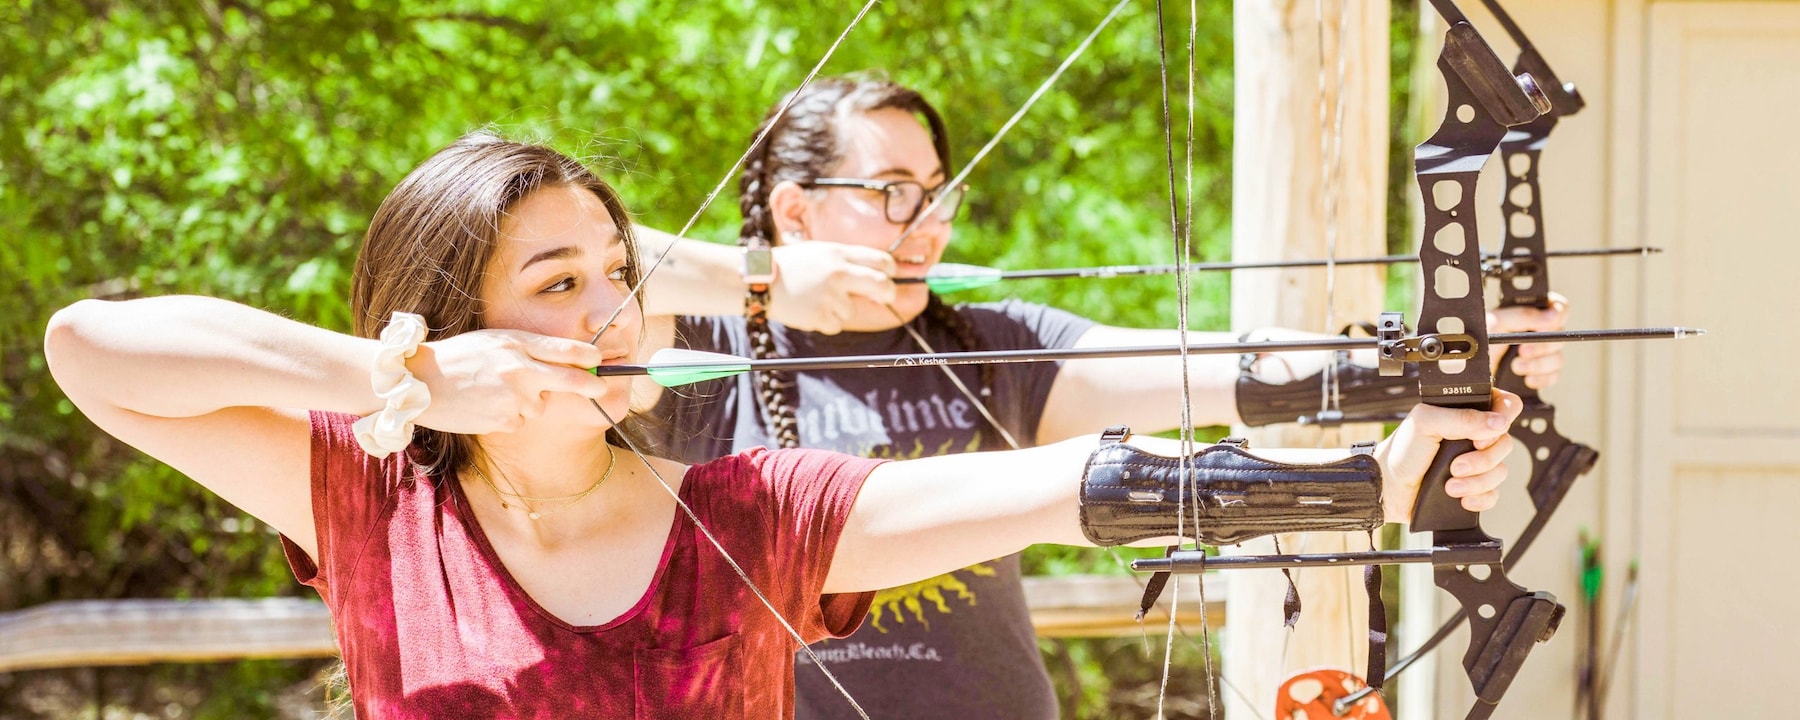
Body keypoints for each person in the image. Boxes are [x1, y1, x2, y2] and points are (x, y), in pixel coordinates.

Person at [44, 132, 1521, 718]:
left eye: (619, 275)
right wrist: (406, 379)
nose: (614, 310)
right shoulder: (371, 508)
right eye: (557, 284)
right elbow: (92, 353)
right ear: (456, 314)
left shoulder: (756, 510)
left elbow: (1082, 483)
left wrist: (1374, 465)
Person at [634, 75, 1569, 718]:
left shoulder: (987, 344)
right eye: (892, 192)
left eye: (936, 193)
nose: (928, 224)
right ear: (795, 209)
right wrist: (760, 279)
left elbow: (1221, 369)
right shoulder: (693, 353)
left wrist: (1438, 355)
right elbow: (567, 251)